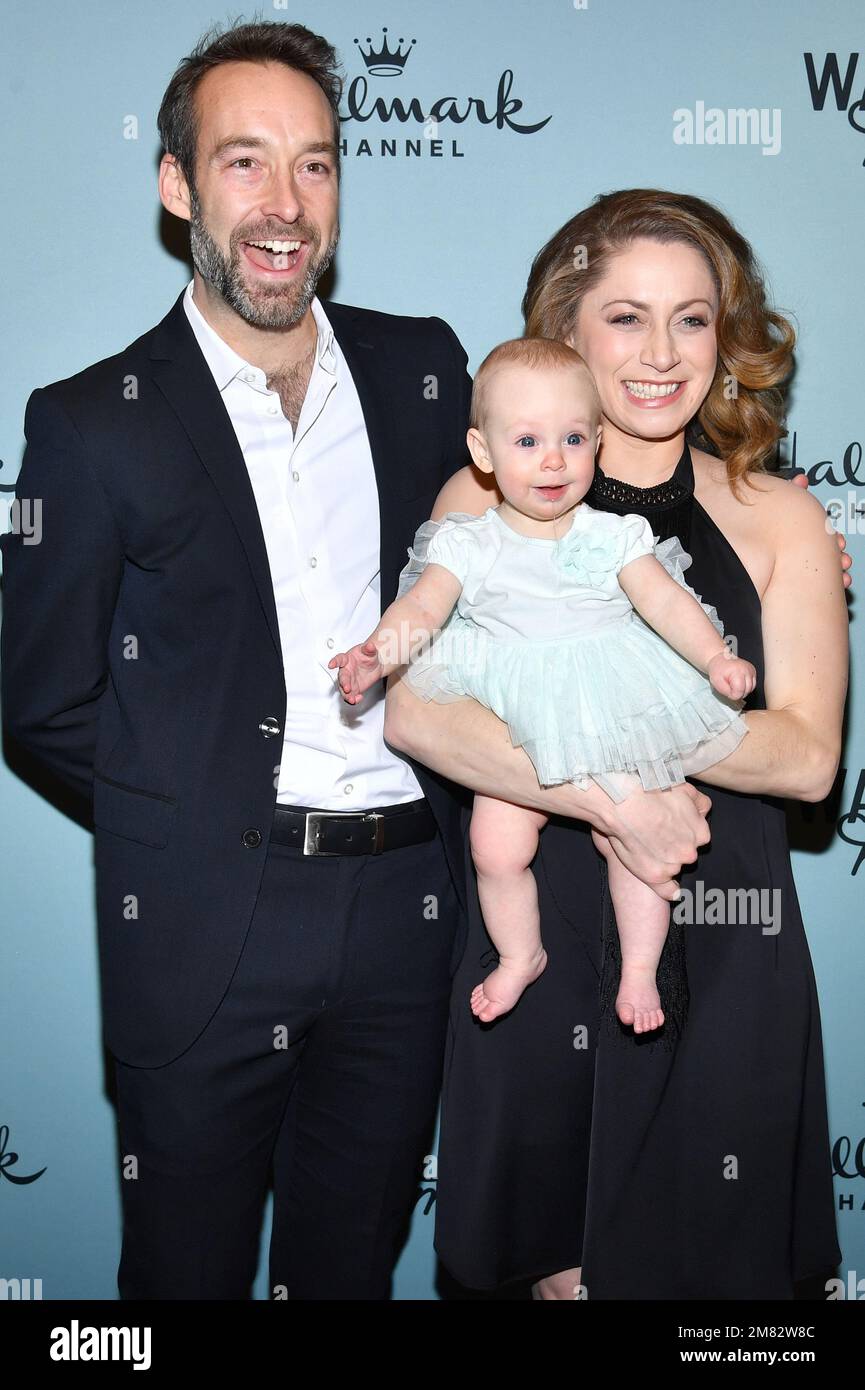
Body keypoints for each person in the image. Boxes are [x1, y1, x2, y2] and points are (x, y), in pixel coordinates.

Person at [0, 18, 476, 1300]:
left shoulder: (424, 370)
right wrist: (192, 819)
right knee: (182, 1281)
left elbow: (541, 525)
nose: (284, 204)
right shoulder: (93, 423)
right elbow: (40, 703)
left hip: (406, 914)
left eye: (314, 164)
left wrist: (749, 538)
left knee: (351, 1274)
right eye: (244, 162)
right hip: (211, 920)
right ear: (176, 186)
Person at [384, 189, 851, 1299]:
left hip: (730, 946)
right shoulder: (486, 497)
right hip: (538, 945)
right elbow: (415, 712)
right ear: (567, 330)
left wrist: (618, 725)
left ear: (725, 339)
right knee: (553, 1275)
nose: (660, 353)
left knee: (723, 1295)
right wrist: (616, 796)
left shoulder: (777, 514)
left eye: (692, 319)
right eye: (625, 317)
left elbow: (804, 760)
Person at [331, 339, 756, 1034]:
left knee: (633, 846)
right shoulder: (468, 542)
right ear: (484, 450)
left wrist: (714, 659)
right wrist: (377, 654)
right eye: (527, 440)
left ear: (596, 444)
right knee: (495, 849)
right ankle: (519, 954)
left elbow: (666, 604)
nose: (553, 459)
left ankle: (640, 971)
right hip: (513, 711)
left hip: (607, 701)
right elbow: (422, 609)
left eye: (572, 438)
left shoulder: (613, 536)